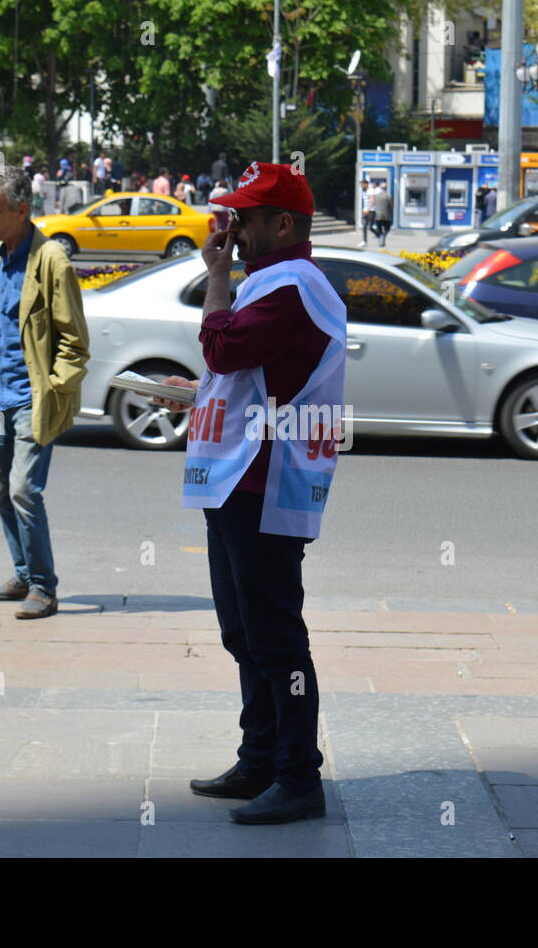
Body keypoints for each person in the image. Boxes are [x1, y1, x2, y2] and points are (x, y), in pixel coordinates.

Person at [152, 162, 345, 825]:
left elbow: (224, 347)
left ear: (283, 224)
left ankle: (298, 776)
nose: (230, 228)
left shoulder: (293, 284)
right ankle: (260, 755)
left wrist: (215, 276)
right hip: (236, 476)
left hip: (265, 480)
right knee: (244, 633)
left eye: (245, 218)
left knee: (274, 636)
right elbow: (241, 371)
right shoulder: (275, 281)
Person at [0, 166, 90, 620]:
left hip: (34, 399)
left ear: (22, 211)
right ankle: (22, 573)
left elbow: (74, 341)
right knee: (3, 490)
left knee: (24, 489)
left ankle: (44, 586)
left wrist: (54, 389)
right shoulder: (0, 256)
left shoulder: (52, 260)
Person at [372, 181, 392, 247]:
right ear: (386, 188)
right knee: (387, 228)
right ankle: (383, 237)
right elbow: (390, 205)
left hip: (378, 215)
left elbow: (374, 204)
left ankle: (380, 241)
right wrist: (391, 212)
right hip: (386, 215)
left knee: (379, 228)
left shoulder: (377, 196)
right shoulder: (388, 196)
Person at [358, 178, 373, 247]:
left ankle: (380, 235)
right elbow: (365, 201)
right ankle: (364, 241)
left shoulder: (370, 190)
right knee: (364, 225)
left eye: (362, 185)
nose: (361, 186)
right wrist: (364, 209)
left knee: (370, 226)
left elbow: (372, 200)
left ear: (366, 184)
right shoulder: (363, 190)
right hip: (365, 210)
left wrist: (368, 209)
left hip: (371, 210)